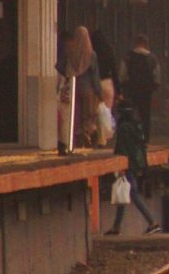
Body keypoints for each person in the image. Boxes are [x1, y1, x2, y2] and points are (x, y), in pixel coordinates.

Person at [106, 104, 162, 236]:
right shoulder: (137, 126)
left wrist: (121, 167)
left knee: (132, 194)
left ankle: (152, 223)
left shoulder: (124, 128)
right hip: (136, 164)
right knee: (124, 193)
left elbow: (123, 148)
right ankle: (116, 227)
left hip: (127, 165)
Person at [57, 26, 101, 150]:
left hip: (71, 87)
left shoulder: (68, 50)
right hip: (88, 90)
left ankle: (71, 141)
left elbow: (60, 67)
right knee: (87, 116)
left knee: (72, 115)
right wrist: (98, 92)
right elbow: (95, 75)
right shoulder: (92, 54)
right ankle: (86, 138)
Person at [124, 35, 161, 134]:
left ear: (136, 43)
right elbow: (157, 76)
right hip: (146, 91)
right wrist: (154, 88)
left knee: (130, 113)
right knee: (145, 115)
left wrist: (124, 87)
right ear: (146, 44)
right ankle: (145, 138)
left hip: (131, 90)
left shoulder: (128, 57)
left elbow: (122, 74)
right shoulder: (152, 58)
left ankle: (131, 136)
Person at [91, 29, 119, 110]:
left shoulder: (92, 53)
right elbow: (114, 71)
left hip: (95, 85)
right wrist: (119, 91)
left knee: (95, 113)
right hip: (107, 83)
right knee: (107, 113)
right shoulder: (109, 51)